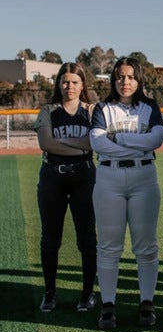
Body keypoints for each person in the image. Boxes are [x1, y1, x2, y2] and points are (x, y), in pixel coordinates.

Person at [90, 57, 163, 329]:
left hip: (143, 177)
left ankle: (147, 303)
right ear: (113, 79)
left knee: (146, 246)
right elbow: (98, 143)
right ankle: (108, 305)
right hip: (109, 177)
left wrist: (119, 138)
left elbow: (156, 140)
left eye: (131, 76)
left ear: (139, 79)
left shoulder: (150, 107)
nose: (125, 81)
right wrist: (138, 145)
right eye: (120, 76)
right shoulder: (102, 107)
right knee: (109, 246)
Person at [34, 62, 97, 313]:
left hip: (84, 178)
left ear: (83, 85)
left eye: (74, 82)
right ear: (58, 83)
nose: (69, 86)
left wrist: (63, 141)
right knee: (50, 239)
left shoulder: (93, 111)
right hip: (53, 177)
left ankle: (87, 293)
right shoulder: (49, 110)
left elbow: (95, 142)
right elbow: (46, 144)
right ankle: (49, 293)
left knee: (87, 239)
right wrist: (80, 145)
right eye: (64, 81)